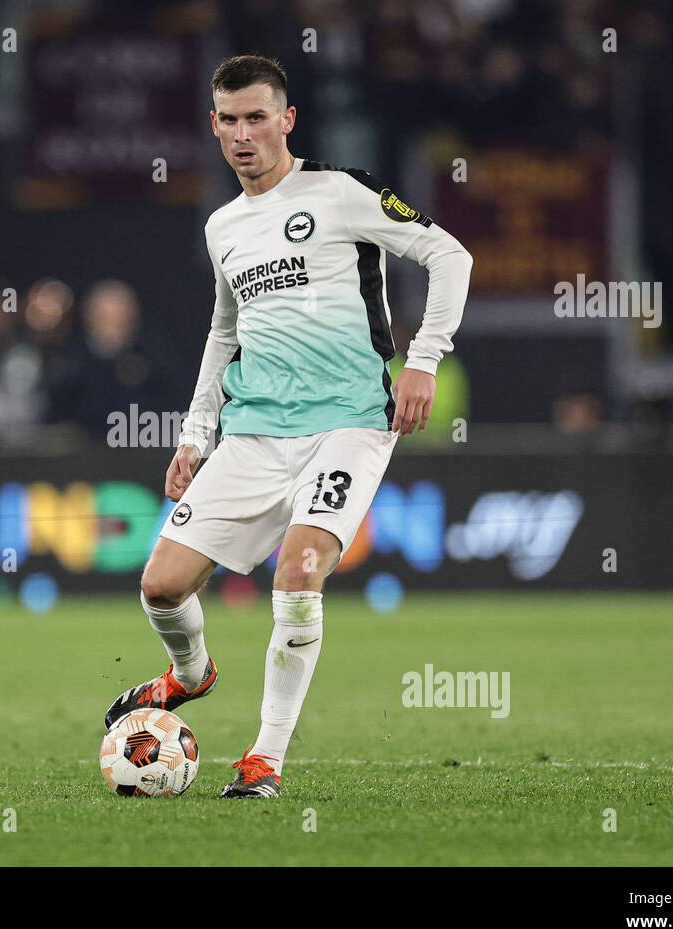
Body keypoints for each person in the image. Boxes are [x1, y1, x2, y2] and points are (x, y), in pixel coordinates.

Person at [104, 55, 473, 798]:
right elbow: (224, 327)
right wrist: (195, 433)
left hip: (349, 422)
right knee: (161, 587)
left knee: (299, 574)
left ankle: (264, 758)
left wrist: (424, 359)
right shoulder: (223, 227)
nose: (244, 135)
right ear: (214, 126)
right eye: (230, 121)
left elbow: (449, 253)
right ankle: (191, 675)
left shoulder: (340, 193)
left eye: (257, 118)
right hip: (254, 432)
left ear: (287, 120)